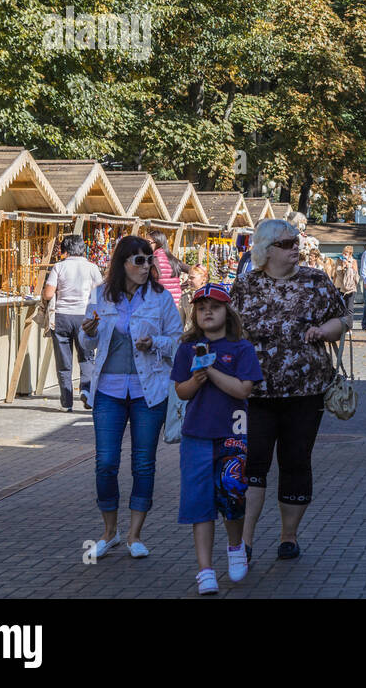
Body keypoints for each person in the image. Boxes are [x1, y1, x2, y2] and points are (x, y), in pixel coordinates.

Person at [230, 218, 347, 562]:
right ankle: (246, 542)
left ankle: (288, 537)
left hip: (305, 391)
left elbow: (342, 319)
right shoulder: (245, 285)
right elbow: (228, 329)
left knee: (296, 461)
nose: (296, 248)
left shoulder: (316, 280)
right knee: (253, 463)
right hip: (256, 393)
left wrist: (325, 330)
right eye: (287, 244)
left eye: (296, 242)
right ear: (266, 251)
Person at [78, 235, 184, 559]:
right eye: (138, 260)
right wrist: (89, 331)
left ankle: (135, 535)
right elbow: (86, 344)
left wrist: (156, 343)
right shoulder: (101, 296)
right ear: (122, 263)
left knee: (143, 464)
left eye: (148, 259)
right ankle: (109, 531)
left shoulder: (160, 298)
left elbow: (178, 341)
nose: (145, 265)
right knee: (106, 463)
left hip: (148, 391)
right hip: (108, 390)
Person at [171, 284, 262, 594]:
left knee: (232, 498)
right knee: (199, 504)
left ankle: (236, 547)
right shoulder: (187, 348)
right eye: (201, 307)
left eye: (215, 306)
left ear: (228, 312)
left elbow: (243, 389)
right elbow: (181, 391)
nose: (207, 311)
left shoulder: (241, 348)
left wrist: (210, 372)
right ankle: (205, 570)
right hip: (196, 436)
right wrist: (195, 380)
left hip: (233, 436)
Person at [43, 235, 103, 411]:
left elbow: (48, 294)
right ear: (82, 249)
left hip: (61, 317)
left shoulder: (59, 267)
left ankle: (66, 402)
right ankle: (86, 390)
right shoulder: (92, 268)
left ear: (65, 250)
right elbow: (100, 293)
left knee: (64, 362)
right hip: (85, 318)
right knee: (86, 357)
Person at [148, 230, 191, 309]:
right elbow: (194, 270)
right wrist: (181, 287)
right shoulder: (173, 260)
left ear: (158, 243)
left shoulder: (153, 260)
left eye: (148, 242)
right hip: (176, 303)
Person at [337, 245, 360, 317]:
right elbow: (335, 274)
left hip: (350, 288)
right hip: (339, 287)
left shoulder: (353, 261)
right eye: (343, 252)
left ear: (350, 254)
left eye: (346, 253)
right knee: (340, 308)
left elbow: (355, 275)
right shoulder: (338, 261)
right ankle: (341, 326)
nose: (344, 254)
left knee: (349, 308)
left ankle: (349, 327)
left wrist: (348, 266)